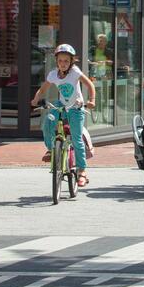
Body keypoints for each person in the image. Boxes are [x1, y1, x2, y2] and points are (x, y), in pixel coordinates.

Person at [32, 44, 97, 187]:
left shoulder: (75, 72)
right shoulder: (53, 74)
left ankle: (82, 171)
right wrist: (36, 99)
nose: (63, 63)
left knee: (76, 138)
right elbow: (42, 89)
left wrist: (91, 100)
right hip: (61, 104)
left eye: (66, 61)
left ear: (71, 61)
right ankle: (51, 149)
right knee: (48, 123)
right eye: (60, 60)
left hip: (76, 106)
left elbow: (90, 85)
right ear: (56, 61)